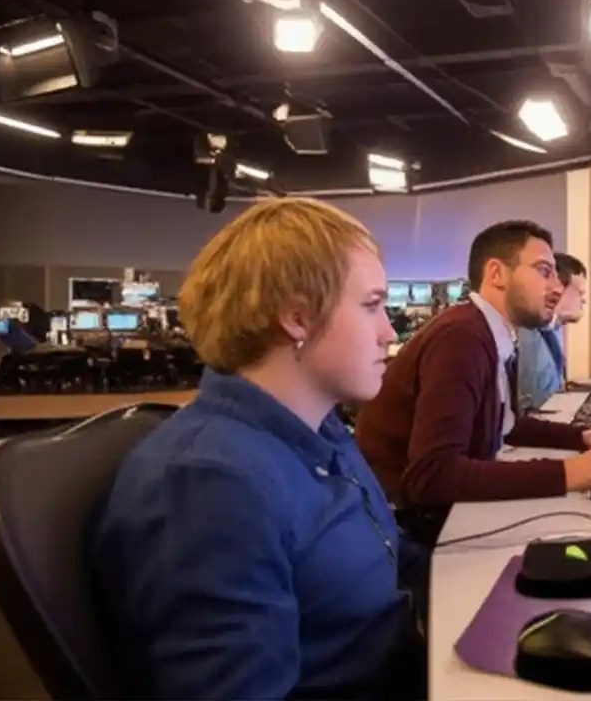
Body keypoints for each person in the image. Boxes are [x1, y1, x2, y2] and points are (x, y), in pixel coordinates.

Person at [90, 198, 423, 699]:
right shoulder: (212, 484)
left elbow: (393, 553)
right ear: (297, 318)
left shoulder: (321, 431)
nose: (388, 333)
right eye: (372, 306)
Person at [355, 220, 591, 543]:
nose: (556, 287)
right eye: (544, 271)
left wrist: (586, 438)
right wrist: (571, 473)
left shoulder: (488, 332)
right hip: (407, 532)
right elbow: (431, 476)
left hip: (430, 516)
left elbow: (506, 425)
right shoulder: (462, 337)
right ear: (496, 274)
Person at [517, 252, 586, 411]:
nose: (584, 300)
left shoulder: (549, 332)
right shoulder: (529, 337)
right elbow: (541, 406)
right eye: (580, 293)